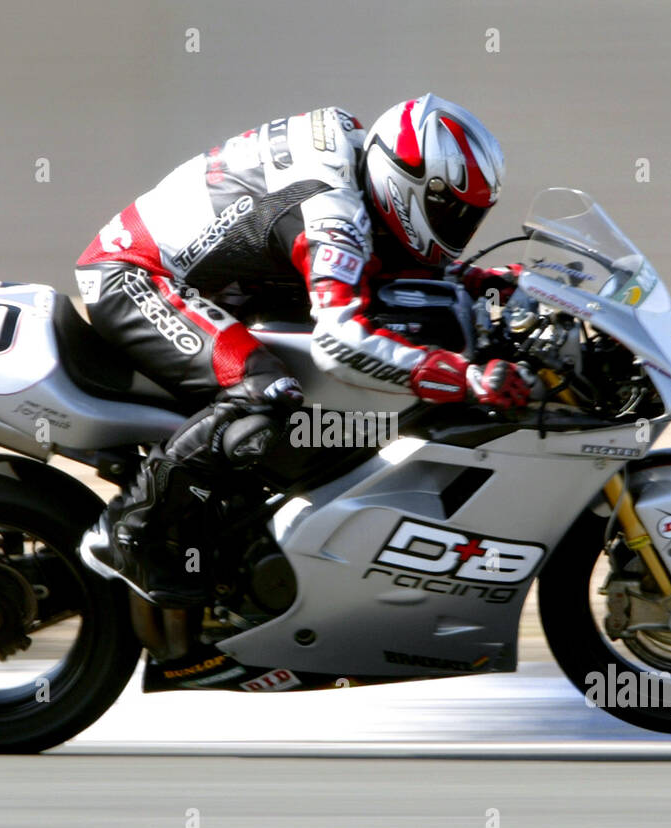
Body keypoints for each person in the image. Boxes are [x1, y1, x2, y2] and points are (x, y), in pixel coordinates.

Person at [77, 94, 531, 607]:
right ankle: (130, 532)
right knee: (265, 389)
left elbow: (377, 257)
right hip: (135, 275)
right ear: (408, 184)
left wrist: (484, 283)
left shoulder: (360, 161)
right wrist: (464, 377)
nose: (458, 231)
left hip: (223, 277)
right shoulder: (329, 209)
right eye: (448, 213)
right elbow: (340, 341)